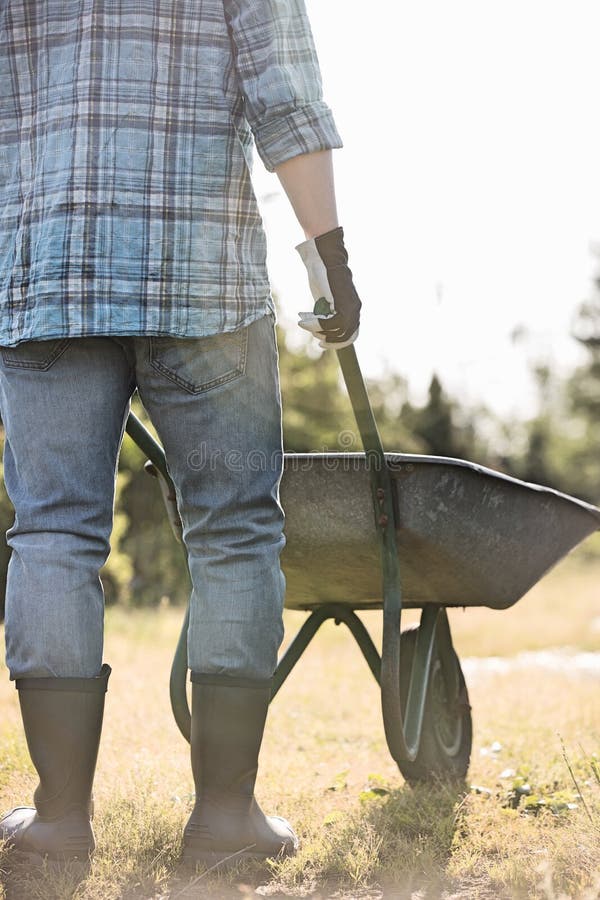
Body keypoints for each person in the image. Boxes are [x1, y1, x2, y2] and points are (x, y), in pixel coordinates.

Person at [0, 0, 361, 870]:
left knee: (53, 532)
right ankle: (227, 820)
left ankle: (56, 827)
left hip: (48, 272)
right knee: (234, 530)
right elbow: (287, 100)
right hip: (201, 282)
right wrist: (332, 262)